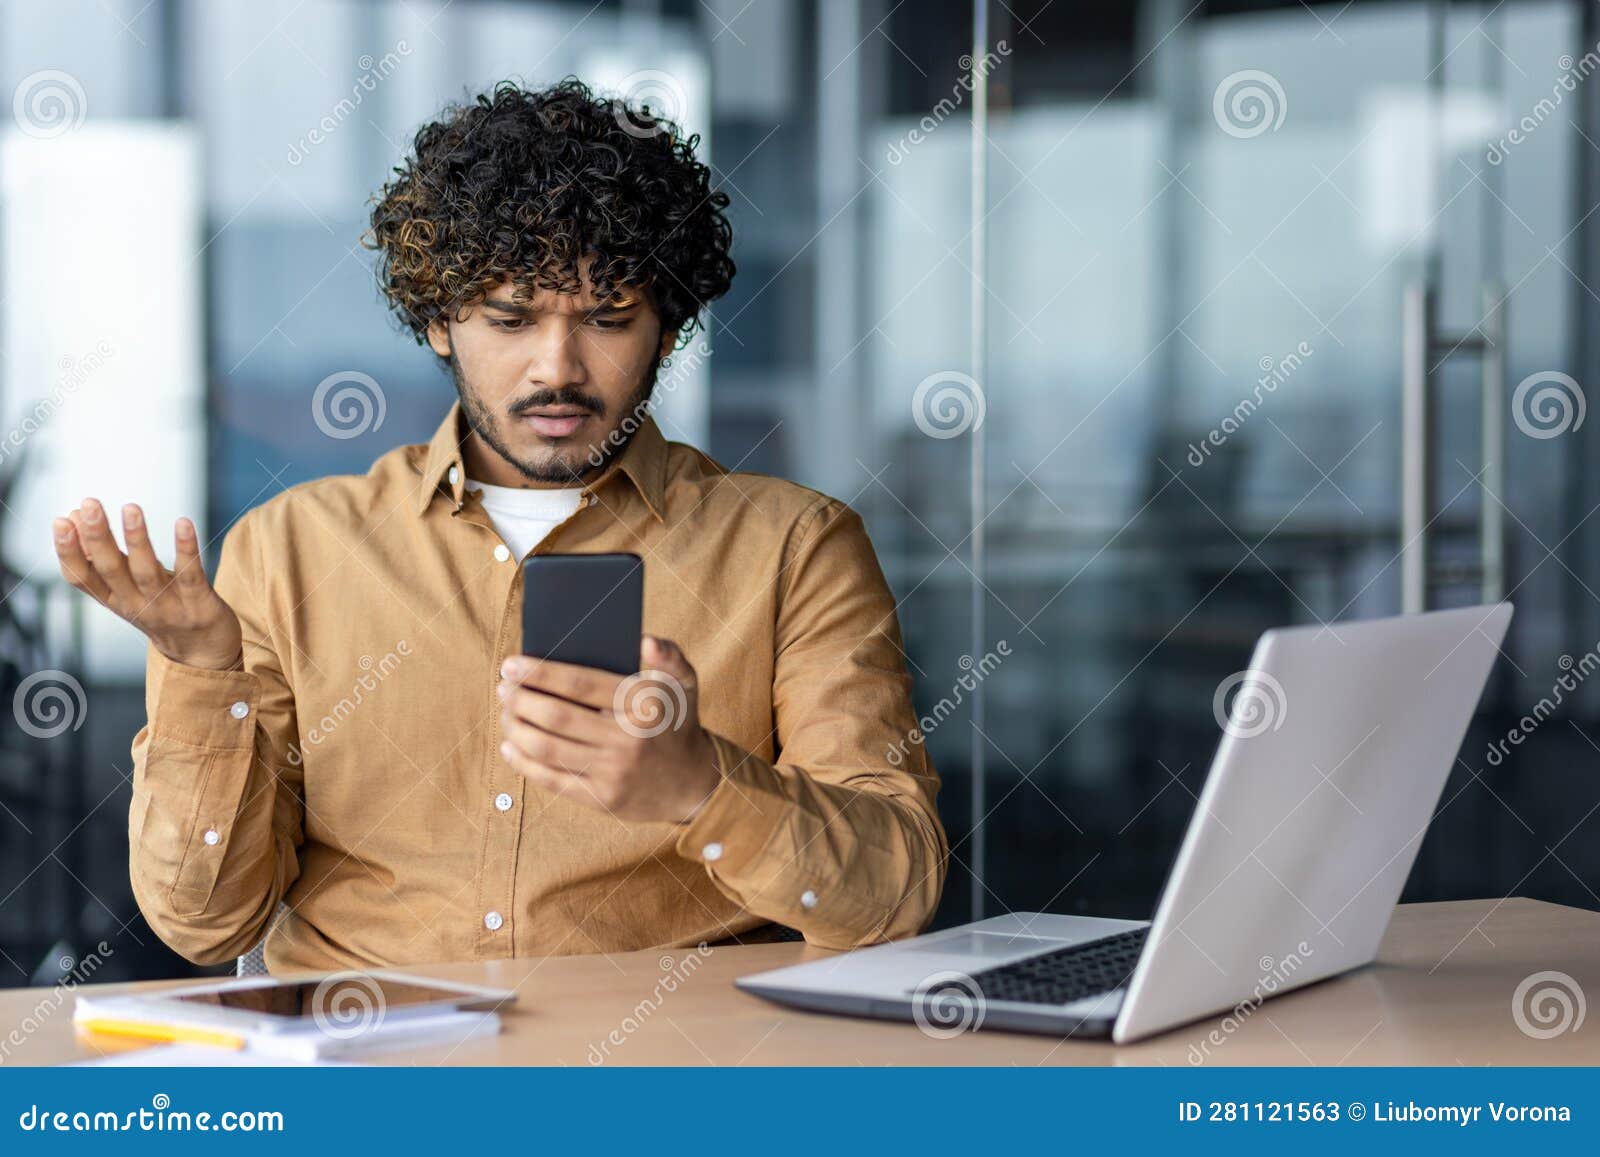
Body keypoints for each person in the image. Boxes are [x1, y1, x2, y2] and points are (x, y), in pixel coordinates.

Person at [50, 78, 947, 973]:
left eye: (607, 318)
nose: (557, 368)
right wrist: (205, 677)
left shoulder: (794, 550)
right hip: (364, 1072)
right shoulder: (291, 552)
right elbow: (205, 924)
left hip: (666, 1075)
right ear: (439, 321)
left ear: (667, 331)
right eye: (510, 318)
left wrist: (702, 788)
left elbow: (892, 895)